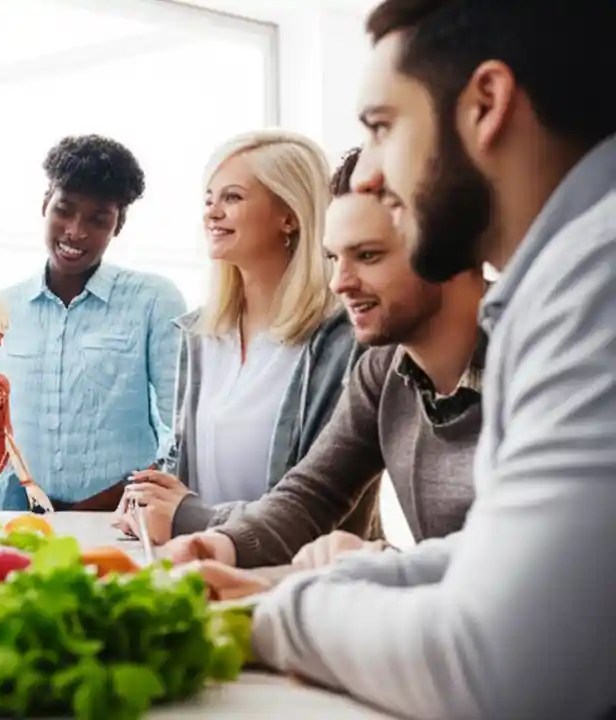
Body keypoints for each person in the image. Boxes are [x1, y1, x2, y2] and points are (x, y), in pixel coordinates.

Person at [190, 1, 616, 716]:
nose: (368, 180)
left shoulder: (594, 278)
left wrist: (273, 623)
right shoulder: (561, 279)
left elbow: (500, 670)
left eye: (383, 128)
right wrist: (284, 592)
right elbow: (486, 555)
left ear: (487, 104)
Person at [161, 146, 485, 570]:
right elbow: (311, 496)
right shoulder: (383, 368)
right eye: (335, 257)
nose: (339, 283)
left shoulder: (540, 357)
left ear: (445, 244)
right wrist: (220, 545)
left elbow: (520, 563)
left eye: (368, 256)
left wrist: (381, 564)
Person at [120, 129, 362, 545]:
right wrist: (150, 498)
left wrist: (188, 517)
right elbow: (188, 468)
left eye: (232, 198)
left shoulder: (341, 340)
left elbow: (318, 508)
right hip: (201, 568)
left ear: (290, 215)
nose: (212, 213)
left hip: (295, 583)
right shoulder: (199, 336)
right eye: (209, 198)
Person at [0, 135, 186, 511]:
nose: (75, 230)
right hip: (19, 516)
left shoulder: (153, 300)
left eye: (98, 219)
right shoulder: (4, 307)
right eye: (64, 210)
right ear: (45, 204)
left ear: (118, 224)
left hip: (119, 516)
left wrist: (124, 499)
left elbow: (184, 428)